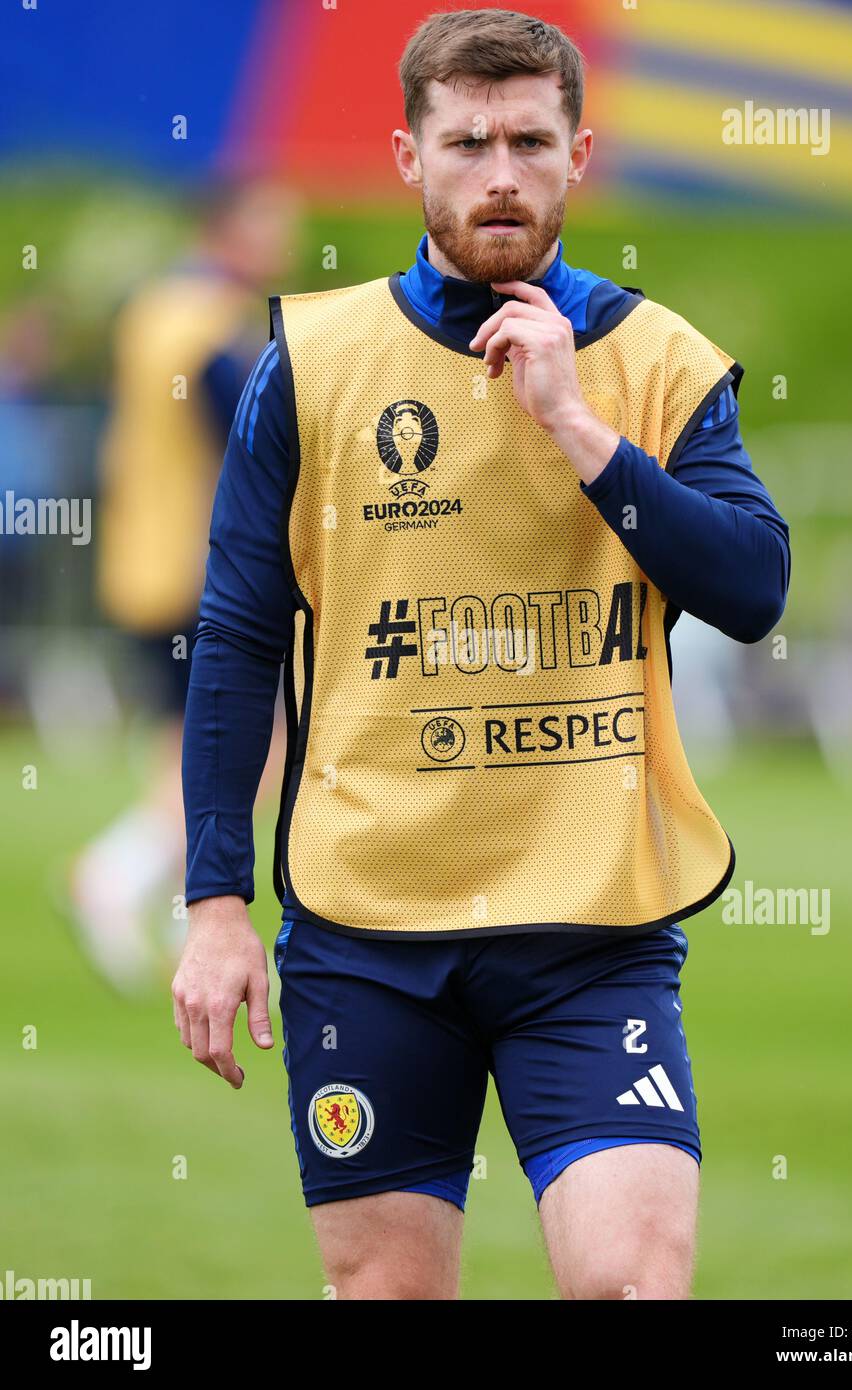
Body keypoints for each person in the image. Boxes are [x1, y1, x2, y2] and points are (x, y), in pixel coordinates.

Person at [173, 9, 790, 1299]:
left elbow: (751, 589)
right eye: (467, 144)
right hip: (368, 927)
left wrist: (579, 428)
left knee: (631, 1285)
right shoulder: (311, 362)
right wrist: (216, 903)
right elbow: (235, 635)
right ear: (410, 157)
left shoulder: (656, 361)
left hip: (591, 926)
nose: (499, 174)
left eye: (528, 142)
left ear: (579, 156)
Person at [70, 178, 300, 992]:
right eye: (272, 223)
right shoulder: (209, 322)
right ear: (230, 230)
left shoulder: (154, 308)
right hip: (198, 567)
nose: (285, 241)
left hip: (145, 554)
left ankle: (178, 907)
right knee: (257, 743)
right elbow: (248, 439)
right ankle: (119, 872)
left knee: (190, 737)